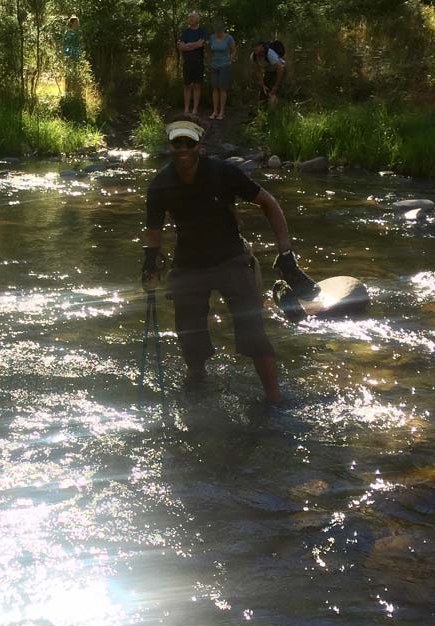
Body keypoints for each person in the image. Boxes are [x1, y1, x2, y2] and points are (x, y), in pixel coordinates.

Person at [142, 117, 318, 402]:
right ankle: (198, 384)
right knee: (190, 336)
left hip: (232, 260)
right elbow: (153, 232)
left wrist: (285, 253)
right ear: (170, 146)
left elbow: (268, 203)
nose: (183, 148)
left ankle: (274, 400)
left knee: (253, 333)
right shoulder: (160, 184)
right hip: (188, 264)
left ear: (200, 146)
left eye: (190, 143)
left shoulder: (223, 173)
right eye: (178, 143)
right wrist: (149, 262)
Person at [178, 11, 208, 116]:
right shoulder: (185, 32)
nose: (190, 19)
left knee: (197, 85)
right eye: (189, 17)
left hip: (198, 62)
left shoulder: (202, 31)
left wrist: (189, 45)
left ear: (197, 19)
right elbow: (181, 46)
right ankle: (186, 109)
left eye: (193, 17)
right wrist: (193, 45)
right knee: (186, 85)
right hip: (187, 62)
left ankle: (195, 109)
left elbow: (200, 44)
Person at [205, 20, 236, 120]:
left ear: (223, 30)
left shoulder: (228, 38)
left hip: (224, 65)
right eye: (216, 31)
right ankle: (215, 111)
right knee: (215, 87)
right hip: (214, 65)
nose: (217, 33)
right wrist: (209, 60)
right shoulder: (212, 37)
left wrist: (230, 60)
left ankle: (221, 112)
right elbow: (209, 49)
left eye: (219, 31)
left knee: (222, 88)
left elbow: (233, 50)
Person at [250, 40, 287, 106]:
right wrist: (262, 83)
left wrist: (276, 86)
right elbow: (257, 70)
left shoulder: (270, 54)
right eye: (253, 47)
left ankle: (275, 112)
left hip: (280, 71)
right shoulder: (253, 57)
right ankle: (263, 111)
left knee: (273, 92)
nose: (255, 48)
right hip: (269, 71)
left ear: (262, 47)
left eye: (257, 46)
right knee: (264, 92)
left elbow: (280, 69)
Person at [62, 16, 83, 95]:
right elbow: (65, 45)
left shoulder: (77, 33)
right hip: (70, 56)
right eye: (76, 22)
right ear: (72, 23)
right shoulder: (68, 33)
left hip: (76, 56)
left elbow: (78, 45)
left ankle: (75, 93)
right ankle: (67, 93)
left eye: (78, 22)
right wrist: (67, 55)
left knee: (76, 74)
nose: (78, 24)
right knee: (69, 75)